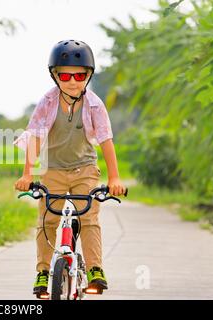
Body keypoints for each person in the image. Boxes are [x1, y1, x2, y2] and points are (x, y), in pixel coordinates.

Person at [13, 39, 127, 297]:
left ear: (88, 76)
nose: (72, 81)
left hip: (84, 169)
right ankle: (43, 272)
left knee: (88, 218)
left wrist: (115, 178)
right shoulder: (47, 102)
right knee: (47, 220)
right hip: (52, 170)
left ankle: (96, 269)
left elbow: (106, 140)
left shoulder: (95, 104)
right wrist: (27, 174)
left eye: (79, 75)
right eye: (65, 75)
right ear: (55, 76)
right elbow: (35, 137)